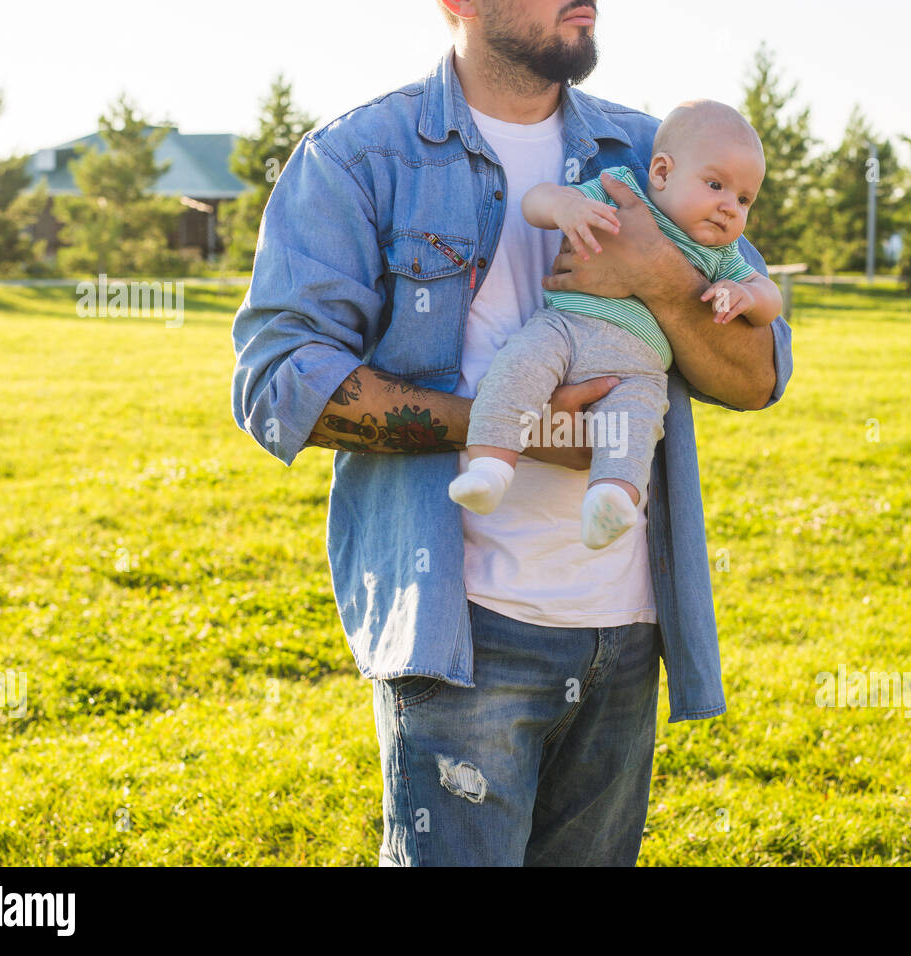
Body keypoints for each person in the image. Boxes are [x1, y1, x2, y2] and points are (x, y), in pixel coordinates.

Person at [230, 0, 793, 866]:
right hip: (464, 636)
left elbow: (758, 375)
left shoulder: (654, 153)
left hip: (629, 629)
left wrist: (656, 275)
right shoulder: (355, 159)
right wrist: (513, 431)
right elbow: (280, 383)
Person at [449, 101, 782, 552]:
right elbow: (534, 201)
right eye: (716, 185)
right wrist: (565, 206)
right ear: (661, 172)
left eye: (744, 200)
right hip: (566, 327)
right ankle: (490, 468)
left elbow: (770, 302)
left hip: (637, 368)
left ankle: (611, 500)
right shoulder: (622, 192)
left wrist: (750, 296)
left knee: (637, 423)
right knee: (517, 368)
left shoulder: (722, 256)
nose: (729, 209)